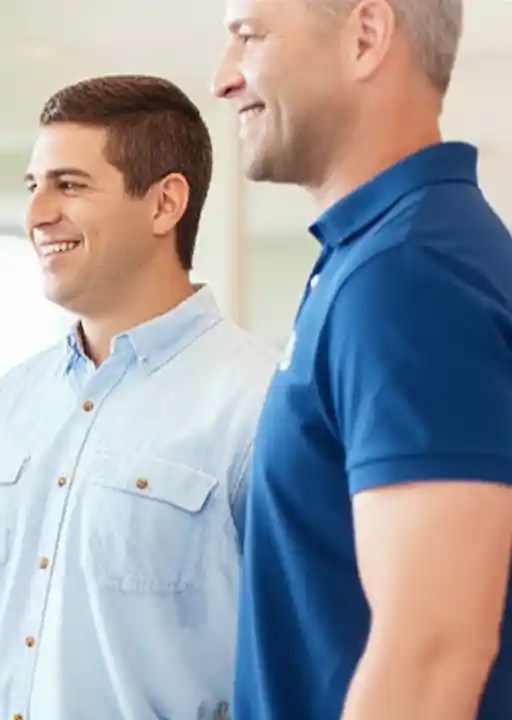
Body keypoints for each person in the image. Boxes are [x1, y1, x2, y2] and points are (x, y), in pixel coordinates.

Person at [0, 74, 278, 720]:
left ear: (164, 204)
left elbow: (302, 661)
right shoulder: (11, 403)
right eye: (32, 187)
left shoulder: (260, 405)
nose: (37, 215)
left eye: (69, 185)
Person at [213, 0, 512, 717]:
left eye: (248, 37)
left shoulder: (409, 277)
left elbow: (432, 651)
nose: (223, 78)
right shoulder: (372, 261)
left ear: (367, 37)